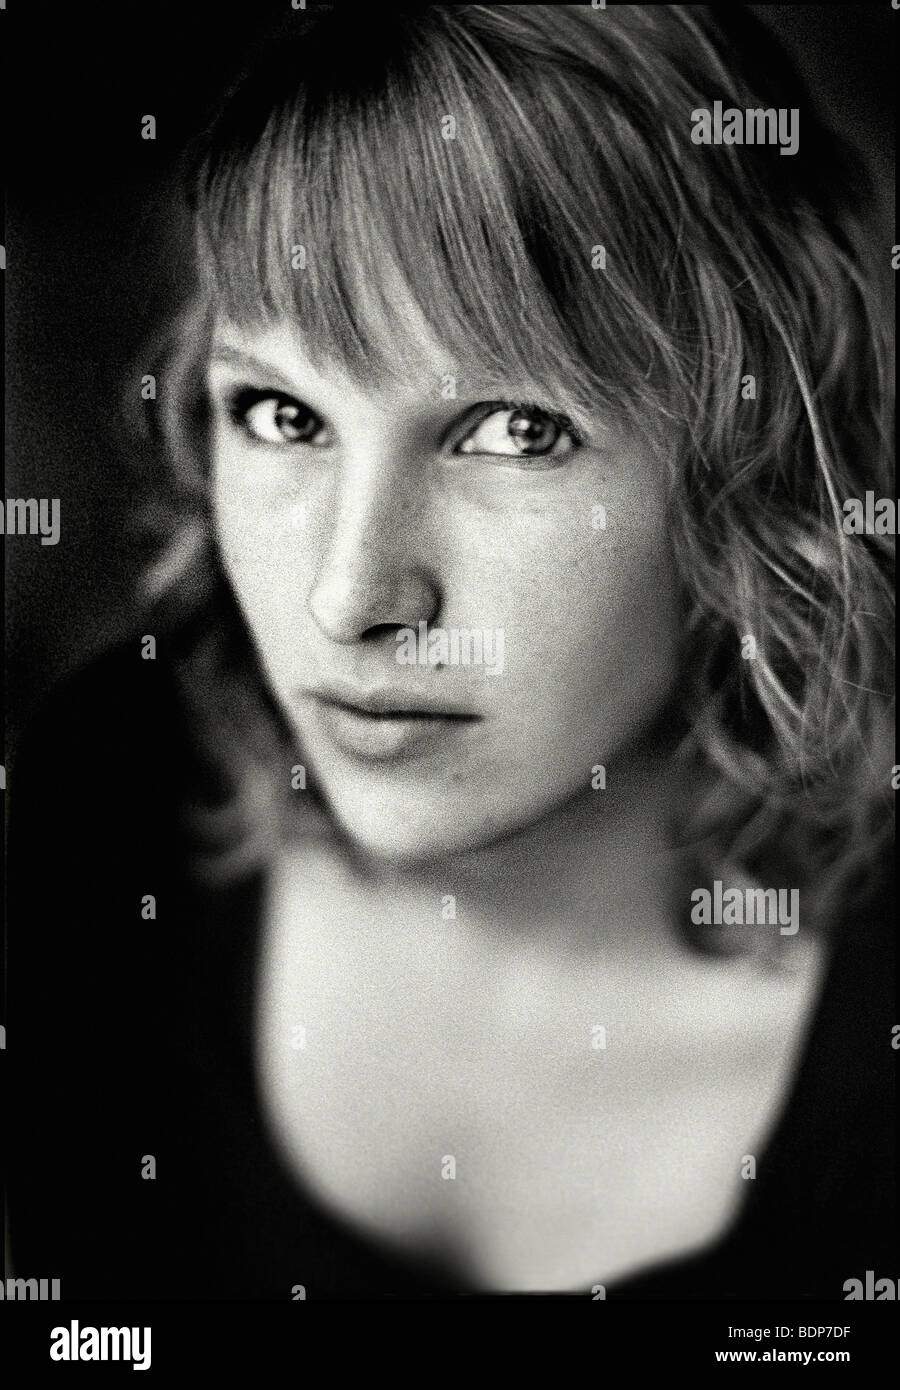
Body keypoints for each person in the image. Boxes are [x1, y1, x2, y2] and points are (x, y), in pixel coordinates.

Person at [8, 3, 894, 1299]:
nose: (349, 593)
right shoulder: (102, 808)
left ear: (752, 470)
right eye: (280, 411)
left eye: (515, 431)